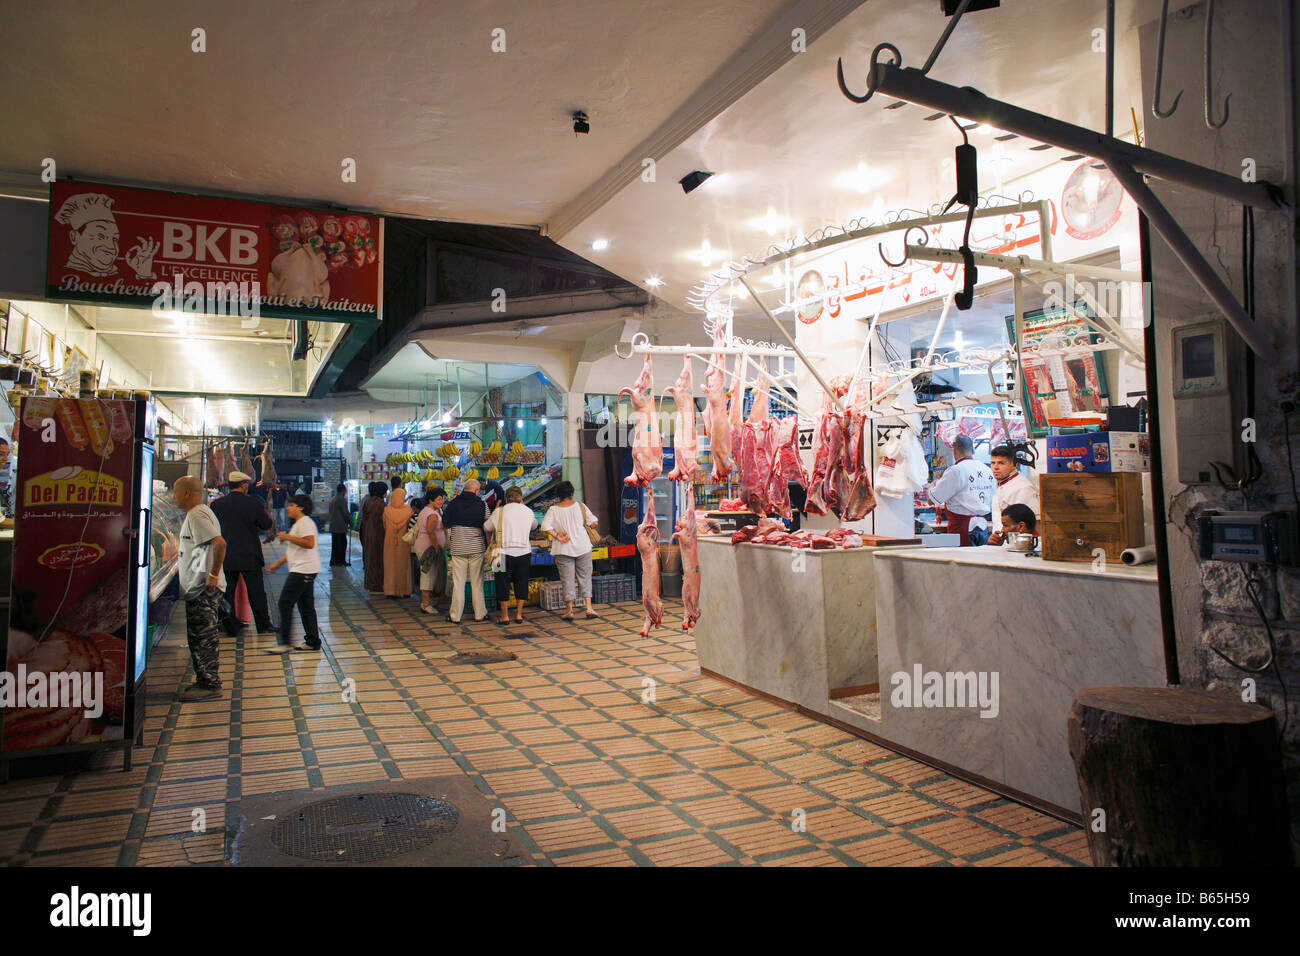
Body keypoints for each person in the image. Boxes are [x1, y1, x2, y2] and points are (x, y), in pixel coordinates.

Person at [172, 475, 226, 700]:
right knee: (199, 637)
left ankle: (210, 684)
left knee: (203, 637)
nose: (173, 497)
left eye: (175, 492)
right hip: (198, 587)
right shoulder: (198, 513)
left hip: (203, 588)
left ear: (186, 493)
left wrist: (213, 575)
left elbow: (220, 543)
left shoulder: (196, 515)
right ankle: (205, 680)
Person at [210, 470, 275, 637]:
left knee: (228, 593)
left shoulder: (217, 505)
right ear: (244, 485)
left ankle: (230, 627)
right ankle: (263, 625)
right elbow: (266, 524)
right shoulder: (252, 503)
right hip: (249, 555)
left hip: (226, 555)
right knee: (256, 593)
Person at [265, 494, 322, 652]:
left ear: (301, 507)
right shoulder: (300, 523)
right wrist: (277, 563)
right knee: (306, 606)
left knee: (285, 603)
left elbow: (309, 543)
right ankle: (312, 641)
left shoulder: (305, 522)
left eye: (292, 505)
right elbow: (294, 550)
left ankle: (284, 642)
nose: (288, 508)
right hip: (305, 568)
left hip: (303, 570)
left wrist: (287, 537)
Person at [541, 481, 599, 621]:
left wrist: (557, 536)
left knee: (567, 579)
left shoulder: (553, 510)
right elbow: (594, 522)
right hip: (583, 546)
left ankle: (569, 611)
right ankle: (589, 608)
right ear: (572, 493)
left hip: (563, 548)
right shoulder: (580, 506)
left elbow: (545, 526)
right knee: (585, 577)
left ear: (558, 495)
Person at [926, 434, 996, 547]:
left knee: (963, 562)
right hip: (983, 528)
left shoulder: (955, 471)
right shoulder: (987, 470)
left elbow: (932, 500)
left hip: (962, 529)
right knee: (982, 560)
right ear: (973, 450)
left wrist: (931, 486)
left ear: (955, 452)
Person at [486, 486, 538, 624]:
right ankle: (519, 615)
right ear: (520, 497)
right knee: (522, 582)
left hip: (500, 553)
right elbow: (534, 525)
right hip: (524, 552)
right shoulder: (528, 511)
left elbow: (486, 527)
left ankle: (504, 616)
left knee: (501, 583)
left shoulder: (499, 511)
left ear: (506, 498)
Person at [443, 478, 488, 622]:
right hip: (477, 548)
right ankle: (480, 614)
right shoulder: (482, 504)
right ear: (476, 491)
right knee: (477, 582)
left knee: (458, 583)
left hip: (458, 548)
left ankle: (455, 616)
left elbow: (445, 524)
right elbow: (487, 526)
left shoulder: (453, 504)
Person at [988, 444, 1040, 546]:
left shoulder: (1023, 487)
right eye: (993, 463)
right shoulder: (1002, 485)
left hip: (1020, 547)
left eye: (1001, 463)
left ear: (1013, 464)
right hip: (1002, 546)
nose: (996, 467)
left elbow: (1034, 525)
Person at [416, 487, 448, 614]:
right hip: (428, 548)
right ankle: (425, 604)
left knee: (430, 574)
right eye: (439, 499)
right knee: (427, 575)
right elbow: (431, 531)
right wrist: (436, 548)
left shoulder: (432, 511)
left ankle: (427, 602)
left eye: (443, 499)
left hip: (425, 546)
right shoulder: (432, 514)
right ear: (431, 500)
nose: (441, 501)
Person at [382, 486, 413, 598]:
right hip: (403, 542)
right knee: (404, 566)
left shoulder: (386, 511)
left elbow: (384, 525)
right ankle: (405, 590)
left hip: (389, 542)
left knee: (390, 566)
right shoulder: (408, 511)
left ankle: (390, 591)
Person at [359, 482, 387, 592]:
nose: (385, 494)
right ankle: (377, 584)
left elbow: (365, 517)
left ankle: (370, 583)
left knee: (369, 559)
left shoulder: (368, 501)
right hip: (378, 534)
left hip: (367, 533)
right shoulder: (381, 504)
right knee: (378, 559)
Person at [405, 496, 425, 596]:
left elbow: (409, 531)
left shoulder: (413, 518)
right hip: (424, 546)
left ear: (413, 507)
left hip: (414, 547)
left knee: (414, 569)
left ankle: (414, 588)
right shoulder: (424, 516)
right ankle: (423, 588)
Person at [328, 483, 351, 566]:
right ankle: (341, 561)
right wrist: (350, 522)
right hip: (340, 527)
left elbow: (330, 511)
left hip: (333, 526)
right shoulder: (341, 499)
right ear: (343, 490)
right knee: (342, 544)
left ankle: (334, 561)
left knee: (335, 545)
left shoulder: (332, 499)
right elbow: (345, 513)